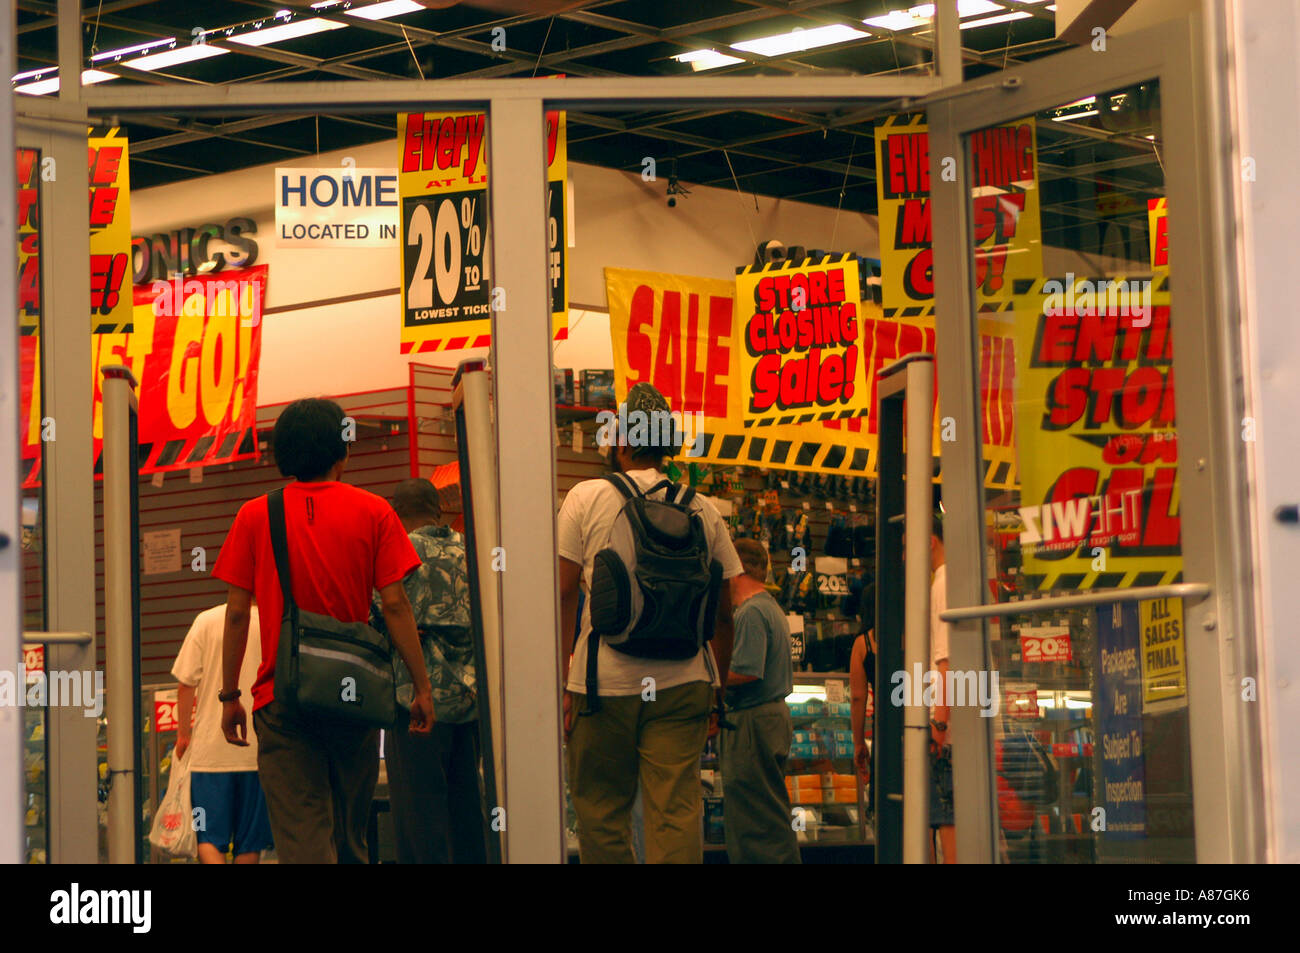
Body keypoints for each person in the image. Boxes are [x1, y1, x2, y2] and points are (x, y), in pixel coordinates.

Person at [213, 397, 435, 864]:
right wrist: (421, 685)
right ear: (343, 452)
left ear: (284, 455)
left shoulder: (255, 515)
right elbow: (394, 604)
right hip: (353, 697)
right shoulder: (375, 512)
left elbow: (236, 614)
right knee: (349, 834)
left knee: (302, 835)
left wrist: (229, 694)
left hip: (283, 699)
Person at [557, 381, 743, 864]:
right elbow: (724, 613)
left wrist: (562, 680)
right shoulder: (703, 509)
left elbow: (561, 594)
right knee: (676, 811)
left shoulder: (586, 497)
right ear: (669, 445)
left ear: (621, 441)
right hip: (685, 681)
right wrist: (716, 689)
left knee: (601, 810)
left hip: (602, 685)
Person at [371, 478, 486, 864]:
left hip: (415, 704)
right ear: (437, 511)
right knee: (467, 814)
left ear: (394, 514)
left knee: (419, 819)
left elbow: (379, 612)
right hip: (469, 704)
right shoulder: (469, 550)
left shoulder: (398, 550)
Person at [172, 603, 273, 864]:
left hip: (209, 756)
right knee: (249, 842)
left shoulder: (206, 621)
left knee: (208, 839)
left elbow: (185, 683)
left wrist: (184, 735)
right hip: (258, 751)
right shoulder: (272, 622)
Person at [720, 538, 800, 864]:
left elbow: (747, 671)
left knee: (753, 822)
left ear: (736, 569)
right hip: (769, 719)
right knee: (767, 813)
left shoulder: (751, 612)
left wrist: (708, 676)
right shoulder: (770, 607)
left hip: (751, 722)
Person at [928, 513, 956, 863]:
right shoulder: (954, 581)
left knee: (950, 820)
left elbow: (946, 663)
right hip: (958, 732)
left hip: (950, 737)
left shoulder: (942, 584)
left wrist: (938, 726)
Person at [849, 582, 877, 789]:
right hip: (917, 721)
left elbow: (858, 697)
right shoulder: (913, 635)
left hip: (884, 728)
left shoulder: (863, 643)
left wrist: (859, 743)